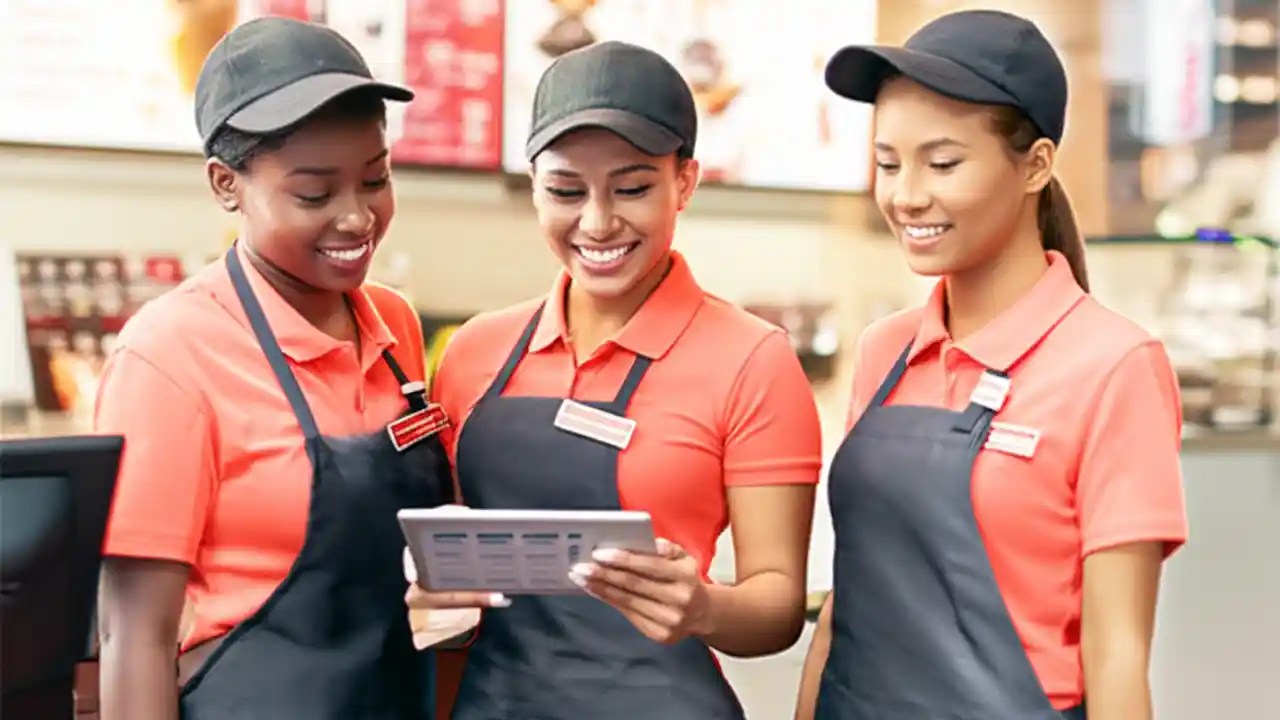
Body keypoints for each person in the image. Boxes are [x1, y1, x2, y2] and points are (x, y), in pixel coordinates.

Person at [408, 41, 823, 719]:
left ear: (684, 181)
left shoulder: (752, 359)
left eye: (632, 188)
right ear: (534, 184)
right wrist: (428, 597)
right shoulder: (475, 350)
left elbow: (776, 606)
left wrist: (703, 606)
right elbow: (446, 562)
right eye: (566, 191)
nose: (597, 222)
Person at [795, 10, 1188, 720]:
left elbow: (1118, 654)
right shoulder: (886, 350)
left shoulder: (1114, 367)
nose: (906, 194)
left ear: (1035, 164)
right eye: (888, 163)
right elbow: (844, 606)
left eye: (942, 163)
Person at [93, 17, 452, 720]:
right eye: (314, 195)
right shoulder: (170, 355)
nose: (356, 218)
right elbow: (133, 632)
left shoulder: (394, 327)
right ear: (226, 185)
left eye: (375, 179)